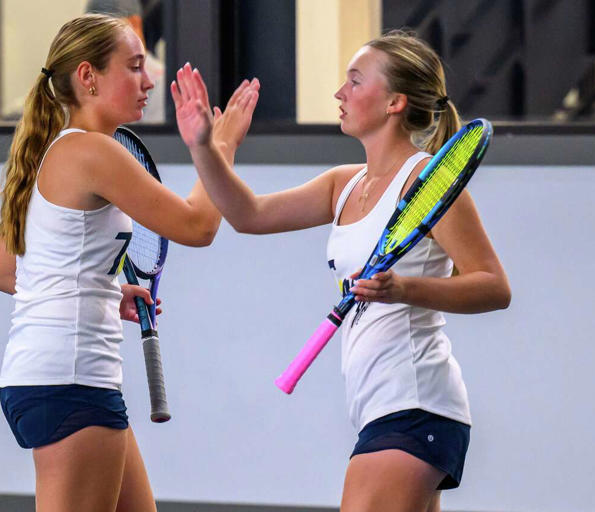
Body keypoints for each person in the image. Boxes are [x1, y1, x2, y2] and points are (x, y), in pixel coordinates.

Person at [175, 29, 511, 512]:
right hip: (378, 410)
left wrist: (404, 288)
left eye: (355, 81)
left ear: (394, 102)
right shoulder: (343, 184)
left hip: (414, 404)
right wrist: (204, 146)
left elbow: (494, 287)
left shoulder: (428, 184)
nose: (339, 93)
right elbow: (247, 215)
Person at [0, 14, 259, 512]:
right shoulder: (94, 152)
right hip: (72, 383)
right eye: (134, 67)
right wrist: (219, 144)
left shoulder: (49, 150)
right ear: (87, 76)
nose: (148, 80)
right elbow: (198, 226)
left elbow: (4, 271)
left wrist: (105, 293)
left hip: (43, 379)